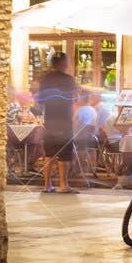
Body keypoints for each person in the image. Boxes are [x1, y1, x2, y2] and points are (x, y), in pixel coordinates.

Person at [33, 54, 77, 194]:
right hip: (64, 120)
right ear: (63, 63)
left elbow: (39, 100)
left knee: (49, 153)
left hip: (50, 120)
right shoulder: (69, 80)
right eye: (67, 61)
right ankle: (63, 185)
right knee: (64, 153)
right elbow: (74, 98)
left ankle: (47, 185)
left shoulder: (45, 79)